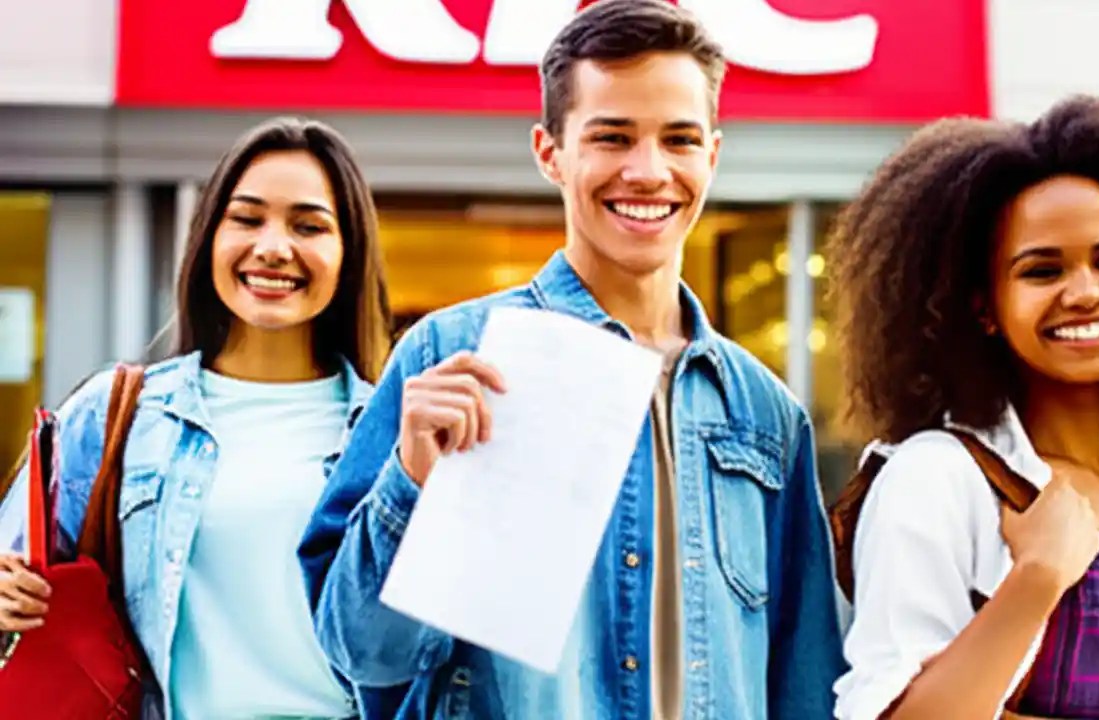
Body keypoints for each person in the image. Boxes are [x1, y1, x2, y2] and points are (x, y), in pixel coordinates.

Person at [297, 1, 846, 718]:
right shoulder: (451, 358)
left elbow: (802, 687)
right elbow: (362, 653)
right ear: (549, 152)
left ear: (712, 154)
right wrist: (409, 481)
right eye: (612, 137)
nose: (648, 171)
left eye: (678, 140)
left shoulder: (765, 414)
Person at [826, 95, 1099, 720]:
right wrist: (1035, 578)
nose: (1086, 293)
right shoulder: (934, 479)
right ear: (982, 306)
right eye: (1042, 271)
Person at [0, 117, 392, 719]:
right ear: (209, 234)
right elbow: (13, 569)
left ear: (349, 254)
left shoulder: (390, 436)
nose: (272, 246)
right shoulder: (113, 415)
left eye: (308, 225)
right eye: (247, 217)